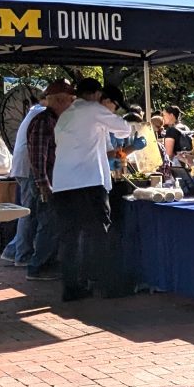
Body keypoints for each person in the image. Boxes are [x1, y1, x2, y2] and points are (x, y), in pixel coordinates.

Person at [50, 78, 131, 301]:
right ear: (96, 94)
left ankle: (71, 288)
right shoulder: (92, 109)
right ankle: (108, 286)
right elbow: (124, 129)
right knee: (100, 235)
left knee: (69, 239)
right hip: (87, 183)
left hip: (62, 185)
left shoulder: (65, 115)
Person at [22, 80, 76, 280]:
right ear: (60, 100)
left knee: (52, 223)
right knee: (49, 224)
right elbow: (38, 156)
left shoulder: (55, 120)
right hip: (46, 179)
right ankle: (38, 267)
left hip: (53, 178)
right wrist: (44, 184)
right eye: (71, 100)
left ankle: (46, 262)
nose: (72, 104)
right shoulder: (44, 121)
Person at [0, 91, 49, 265]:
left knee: (29, 210)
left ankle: (14, 251)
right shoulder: (41, 112)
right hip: (29, 168)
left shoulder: (34, 111)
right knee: (30, 212)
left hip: (24, 167)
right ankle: (22, 254)